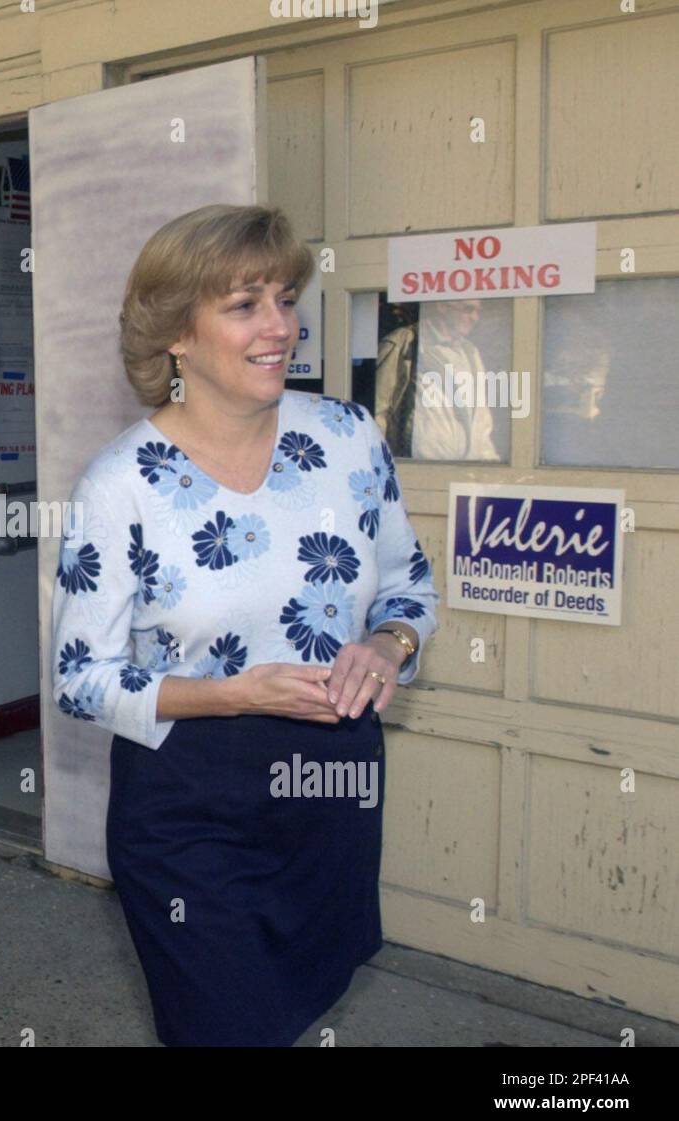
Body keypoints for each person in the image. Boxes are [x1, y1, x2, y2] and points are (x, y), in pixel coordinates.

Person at [51, 204, 438, 1046]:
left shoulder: (346, 436)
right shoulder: (120, 485)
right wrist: (233, 694)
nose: (281, 326)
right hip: (191, 799)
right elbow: (82, 676)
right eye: (244, 304)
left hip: (329, 779)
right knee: (222, 1021)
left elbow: (409, 583)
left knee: (296, 1007)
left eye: (285, 297)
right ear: (176, 335)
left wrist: (387, 644)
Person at [375, 298, 501, 461]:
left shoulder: (470, 352)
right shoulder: (405, 342)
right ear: (442, 307)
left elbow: (481, 419)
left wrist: (489, 462)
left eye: (478, 311)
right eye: (468, 309)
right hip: (416, 468)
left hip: (466, 469)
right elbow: (378, 409)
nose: (475, 318)